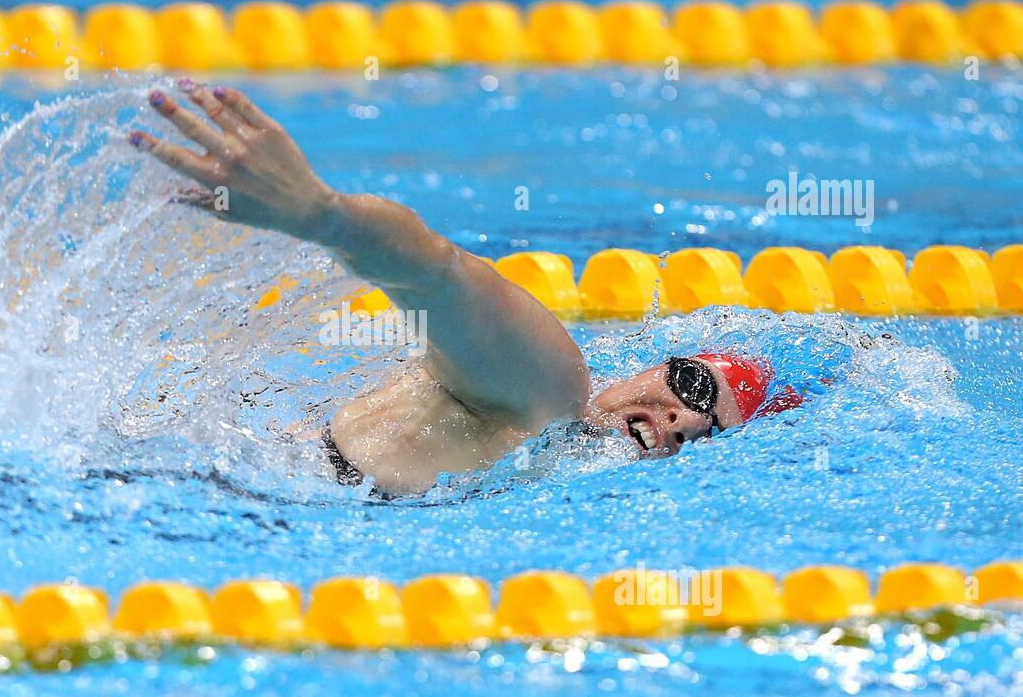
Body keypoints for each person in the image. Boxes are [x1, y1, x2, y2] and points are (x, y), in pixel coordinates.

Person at [130, 82, 800, 495]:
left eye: (709, 434)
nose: (686, 421)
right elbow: (435, 270)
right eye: (694, 387)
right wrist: (317, 214)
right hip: (196, 484)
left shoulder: (556, 468)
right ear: (656, 365)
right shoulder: (547, 387)